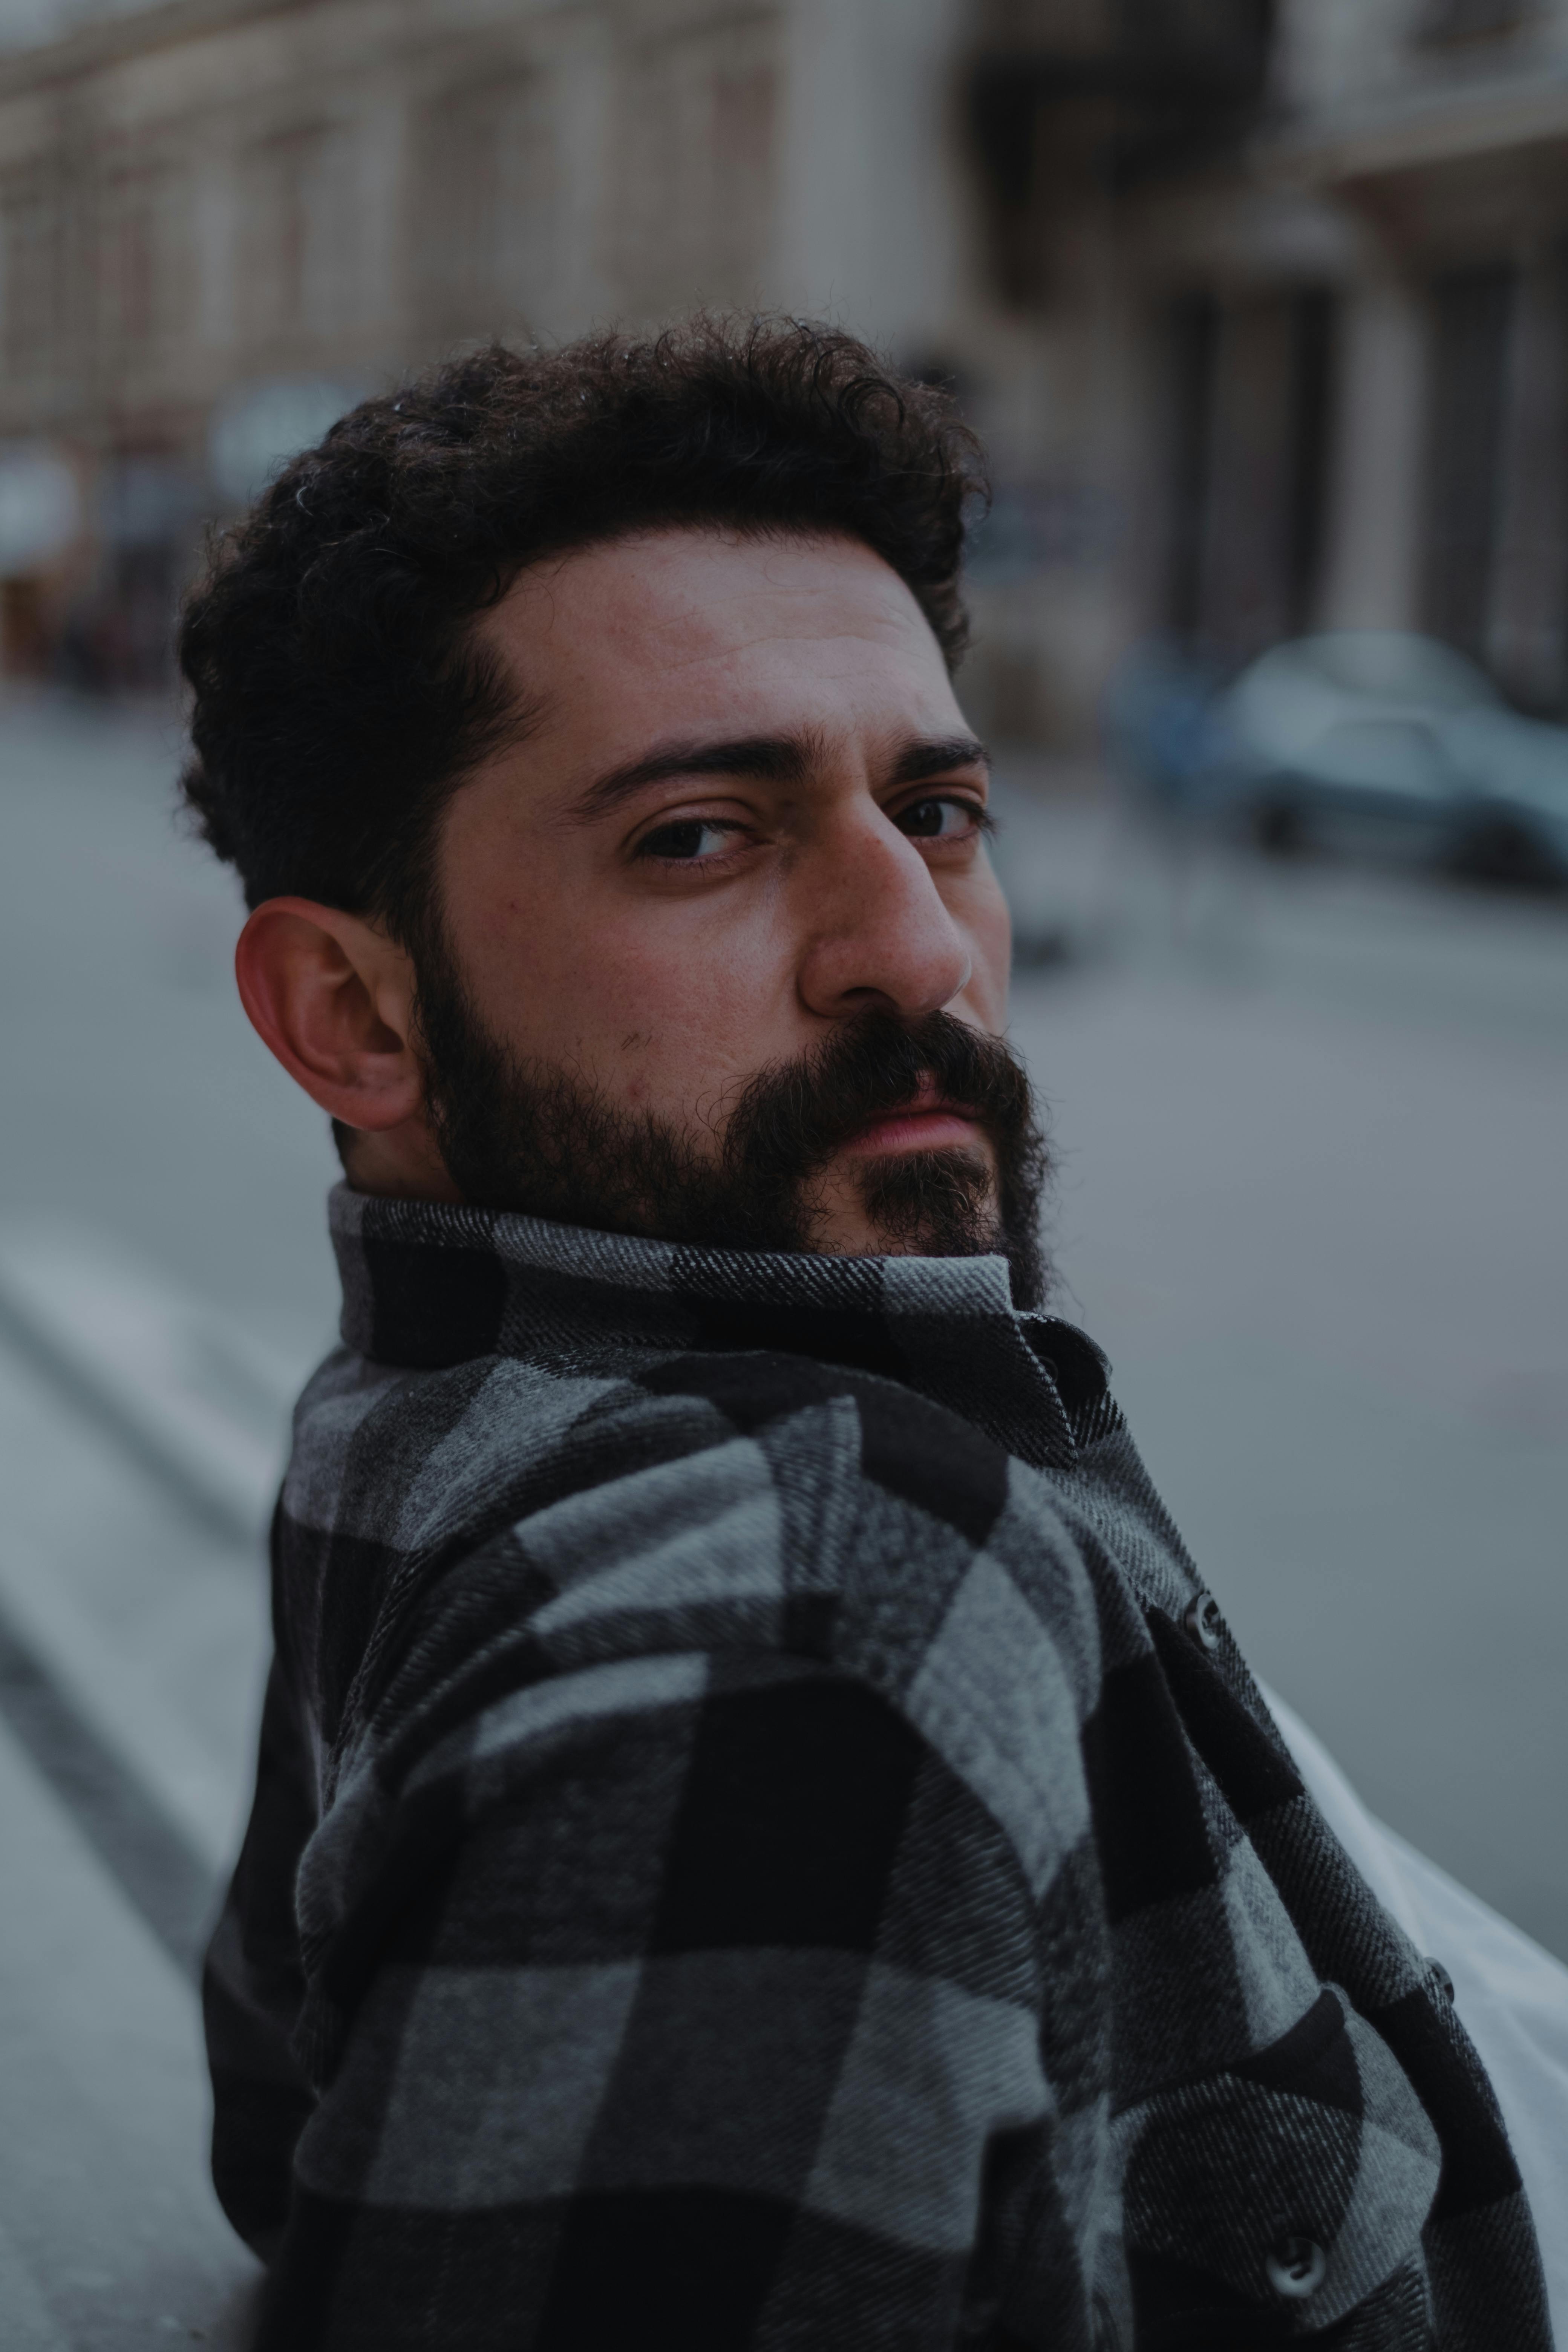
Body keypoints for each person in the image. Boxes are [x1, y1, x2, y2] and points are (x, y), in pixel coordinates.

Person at [183, 319, 1551, 2349]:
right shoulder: (815, 1601)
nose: (919, 949)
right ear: (354, 1019)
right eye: (700, 837)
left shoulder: (464, 1422)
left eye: (938, 812)